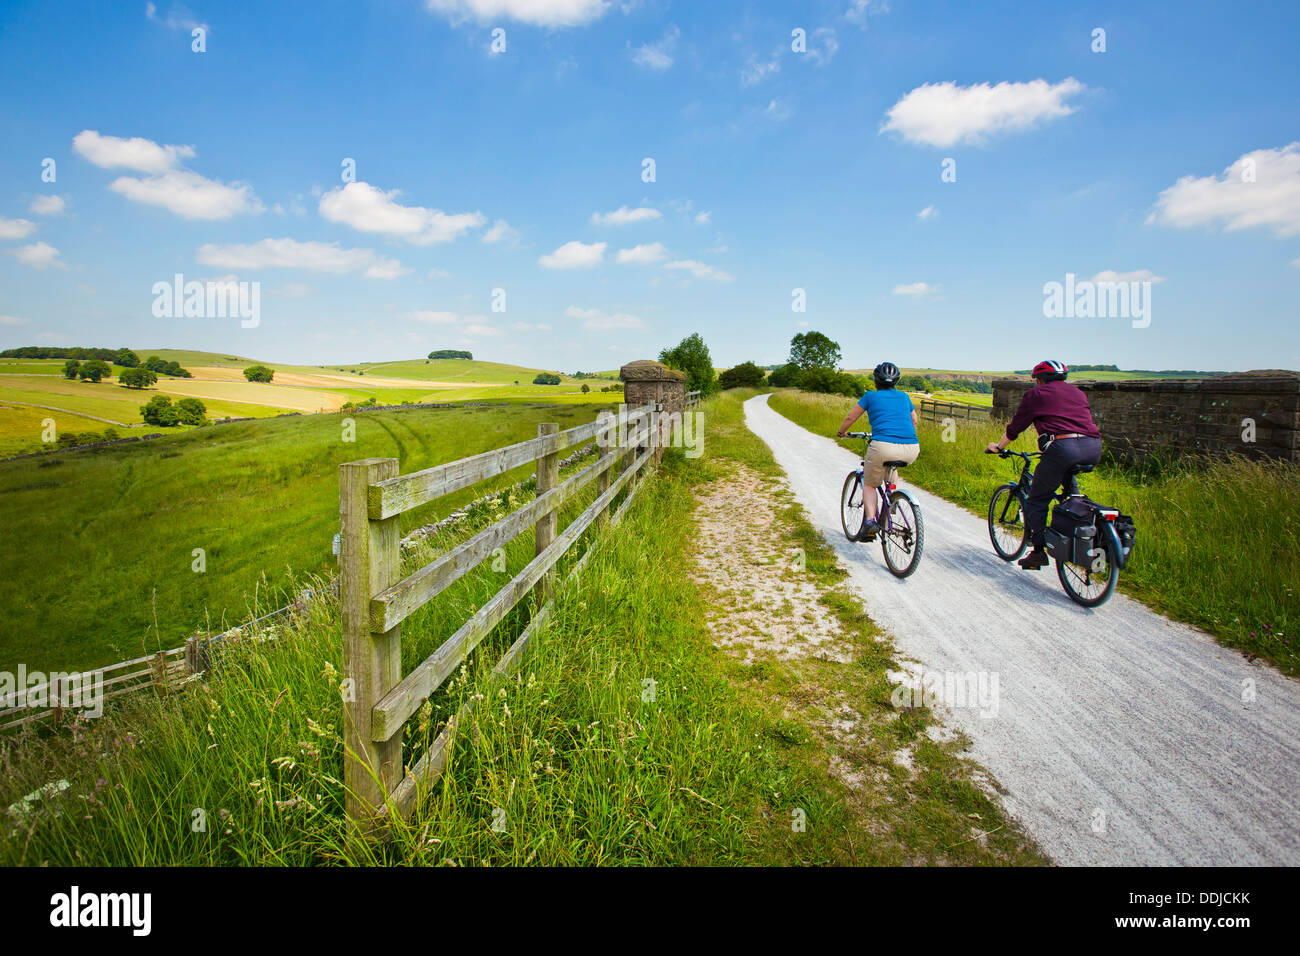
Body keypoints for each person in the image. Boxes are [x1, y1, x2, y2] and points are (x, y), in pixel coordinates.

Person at [986, 360, 1102, 570]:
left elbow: (1016, 428)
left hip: (1063, 448)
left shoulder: (1035, 395)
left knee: (1037, 501)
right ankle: (1075, 526)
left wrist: (999, 447)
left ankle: (1038, 552)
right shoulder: (1078, 393)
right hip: (1093, 447)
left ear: (1039, 380)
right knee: (1071, 496)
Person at [836, 362, 920, 538]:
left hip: (882, 446)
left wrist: (842, 432)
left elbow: (851, 416)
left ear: (876, 380)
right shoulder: (905, 397)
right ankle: (892, 497)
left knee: (869, 483)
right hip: (912, 448)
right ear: (896, 381)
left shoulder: (870, 396)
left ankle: (870, 521)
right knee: (892, 468)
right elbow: (914, 421)